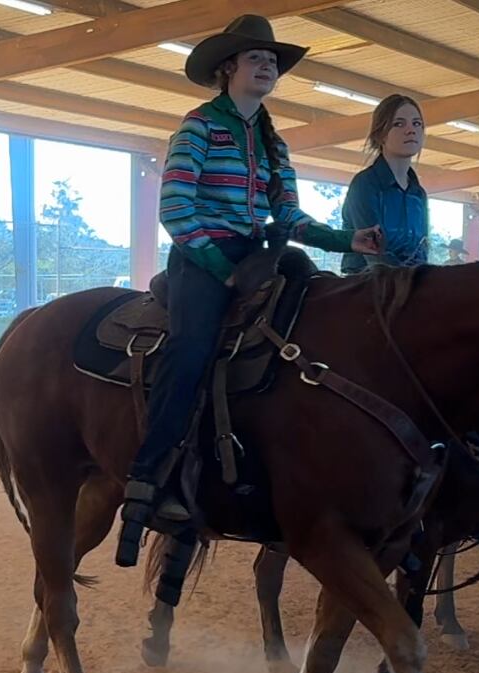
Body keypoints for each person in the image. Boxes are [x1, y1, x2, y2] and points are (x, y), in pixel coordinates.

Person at [121, 15, 382, 537]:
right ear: (227, 69)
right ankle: (149, 475)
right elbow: (175, 208)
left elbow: (287, 213)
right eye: (256, 58)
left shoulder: (272, 141)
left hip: (257, 253)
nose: (267, 67)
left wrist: (345, 240)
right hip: (202, 257)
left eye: (272, 62)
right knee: (192, 349)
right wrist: (222, 271)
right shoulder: (199, 125)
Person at [340, 94, 428, 274]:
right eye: (399, 124)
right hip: (366, 280)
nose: (411, 130)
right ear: (380, 135)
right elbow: (373, 251)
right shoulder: (364, 185)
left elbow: (422, 248)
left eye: (417, 124)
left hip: (407, 281)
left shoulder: (418, 193)